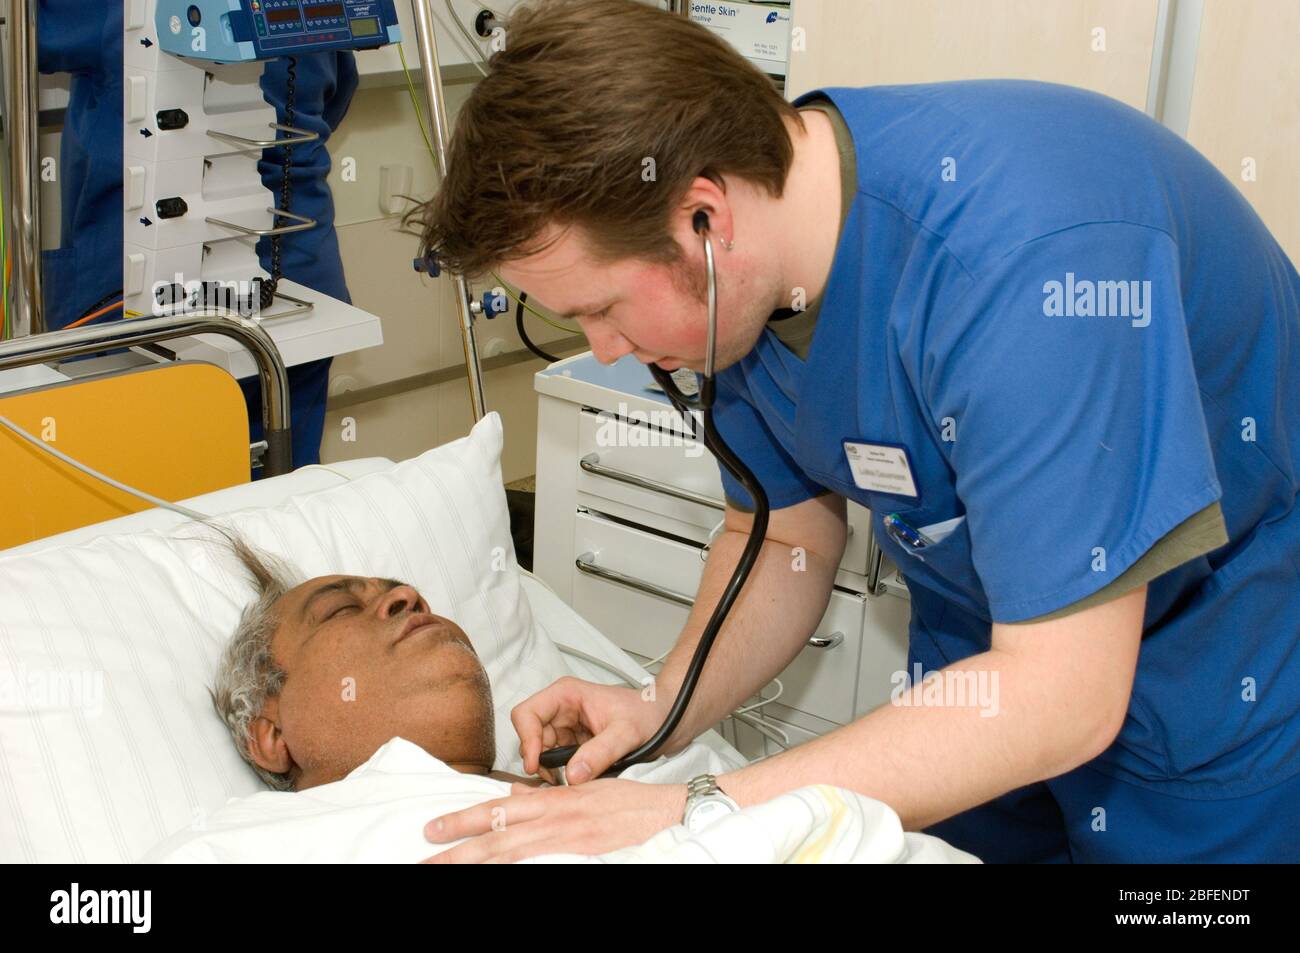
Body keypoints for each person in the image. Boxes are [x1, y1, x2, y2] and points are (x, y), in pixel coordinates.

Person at [409, 0, 1300, 863]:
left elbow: (1062, 695)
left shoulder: (1028, 269)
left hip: (1216, 670)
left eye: (600, 309)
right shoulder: (754, 284)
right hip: (986, 653)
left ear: (704, 219)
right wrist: (659, 702)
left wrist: (693, 810)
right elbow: (786, 533)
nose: (604, 350)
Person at [208, 531, 540, 790]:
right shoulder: (233, 850)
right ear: (272, 738)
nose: (408, 596)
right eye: (341, 609)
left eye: (413, 598)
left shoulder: (580, 791)